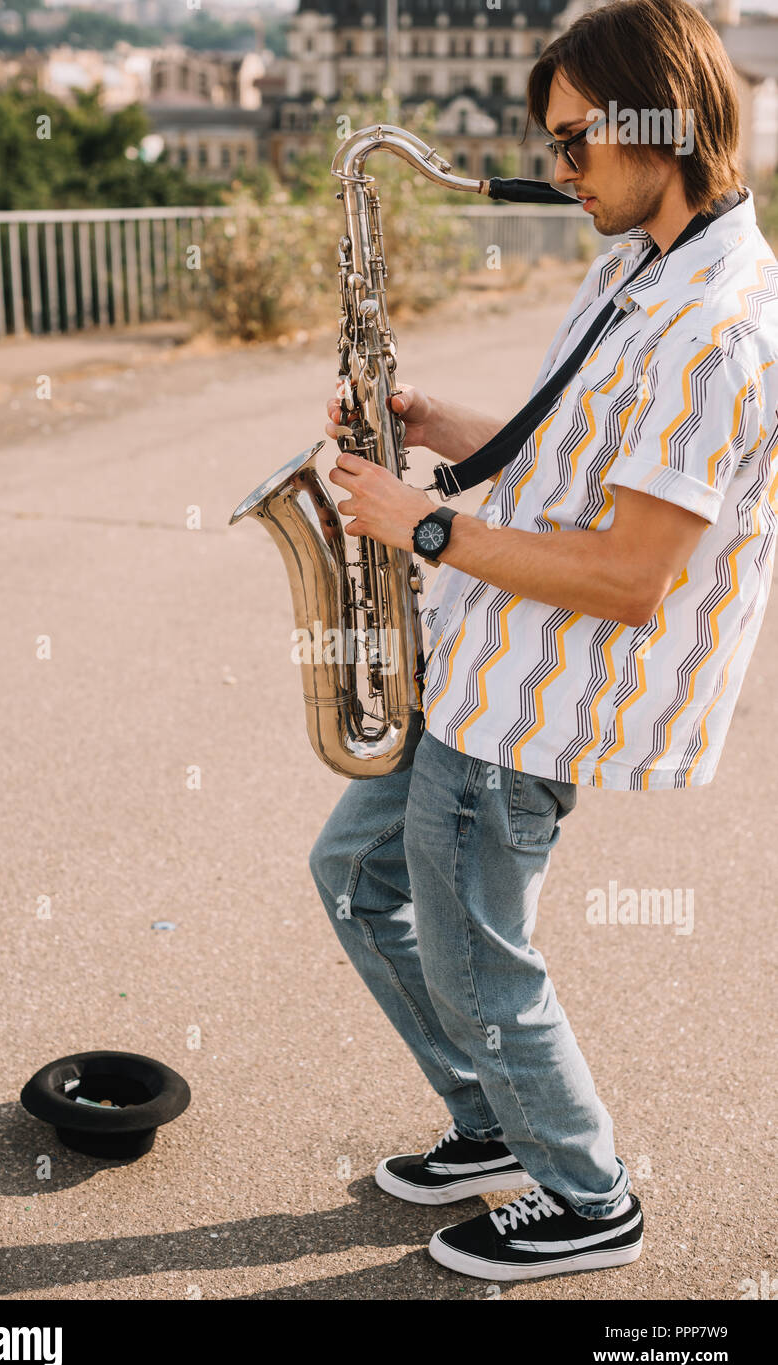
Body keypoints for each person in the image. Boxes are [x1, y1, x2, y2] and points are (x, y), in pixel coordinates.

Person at [308, 0, 778, 1283]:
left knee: (478, 956)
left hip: (538, 702)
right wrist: (431, 420)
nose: (554, 168)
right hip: (483, 666)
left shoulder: (712, 330)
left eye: (576, 142)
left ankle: (585, 1194)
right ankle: (490, 1123)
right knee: (356, 876)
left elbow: (631, 576)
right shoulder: (641, 264)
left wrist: (422, 528)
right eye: (552, 142)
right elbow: (571, 458)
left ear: (661, 126)